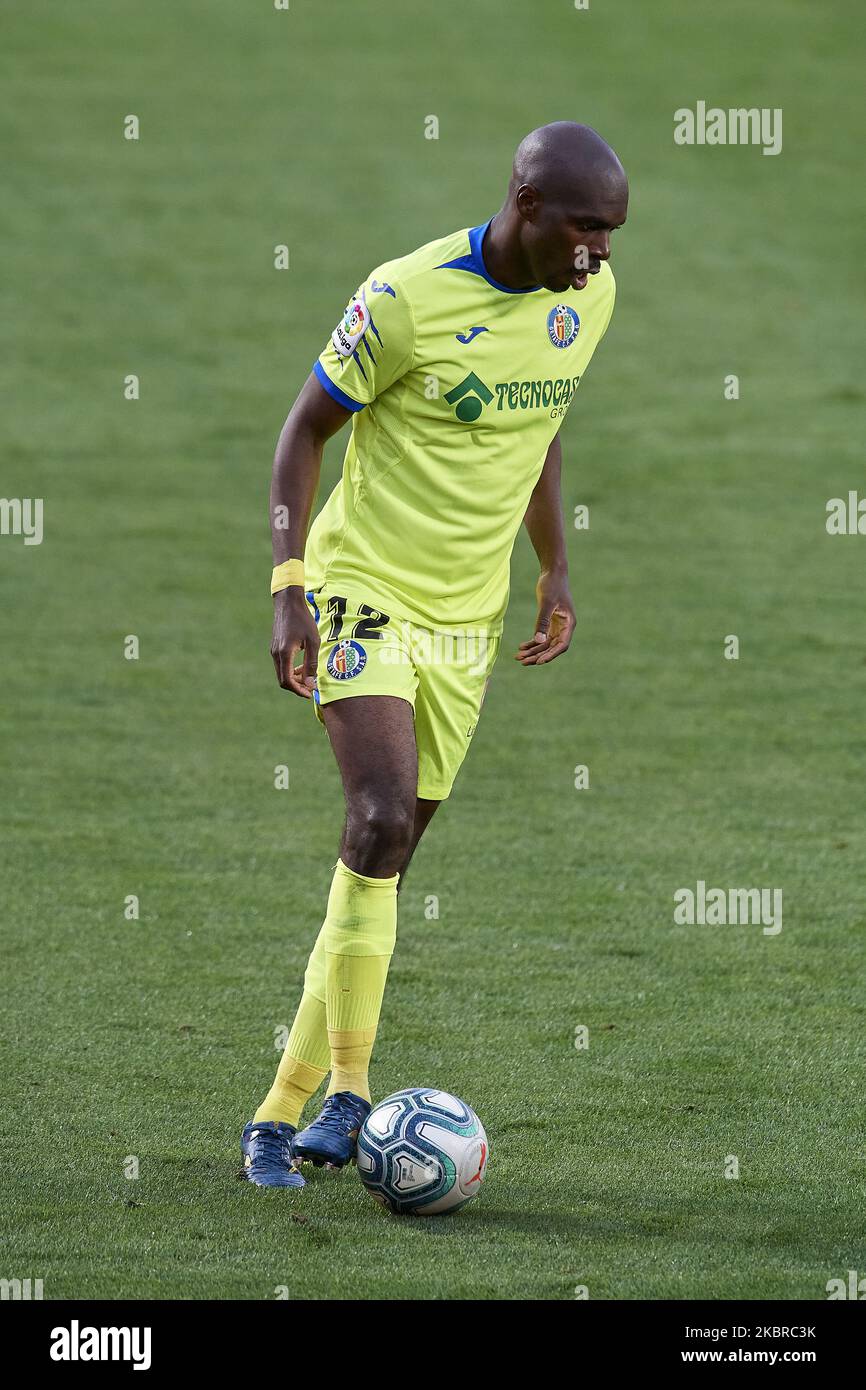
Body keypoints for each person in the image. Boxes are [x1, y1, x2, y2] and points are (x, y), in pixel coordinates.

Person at [241, 121, 628, 1188]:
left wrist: (553, 571)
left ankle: (277, 1115)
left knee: (386, 853)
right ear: (525, 204)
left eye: (612, 234)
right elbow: (301, 433)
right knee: (372, 816)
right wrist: (289, 591)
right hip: (362, 587)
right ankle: (351, 1095)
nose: (599, 253)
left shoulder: (582, 299)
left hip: (466, 619)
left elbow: (539, 429)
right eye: (585, 230)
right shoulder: (405, 296)